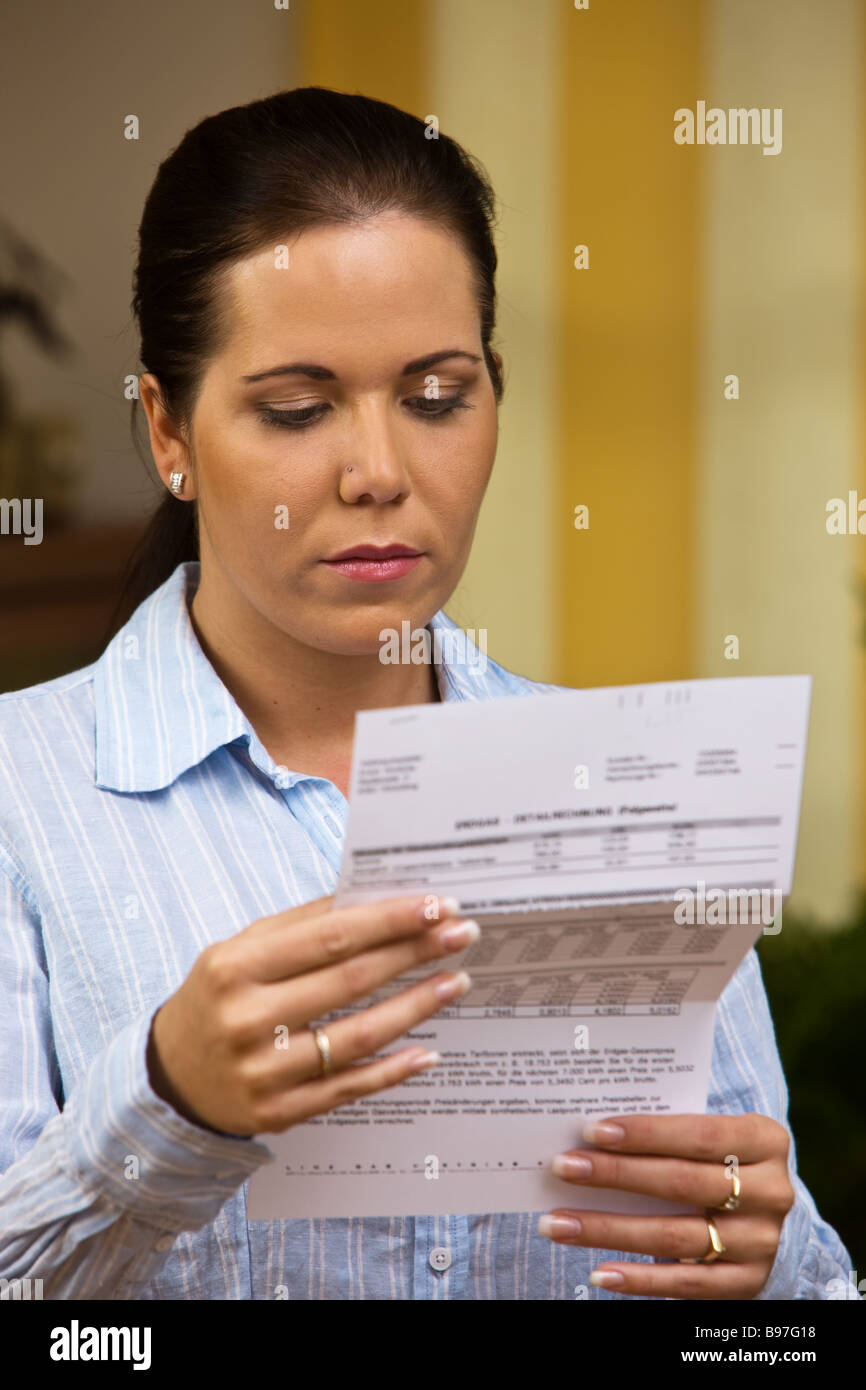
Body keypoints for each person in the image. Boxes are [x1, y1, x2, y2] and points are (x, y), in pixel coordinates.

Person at [0, 86, 856, 1301]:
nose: (379, 471)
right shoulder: (21, 804)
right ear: (167, 432)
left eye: (437, 396)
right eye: (297, 409)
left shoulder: (626, 793)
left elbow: (794, 1287)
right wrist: (163, 1105)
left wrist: (764, 1275)